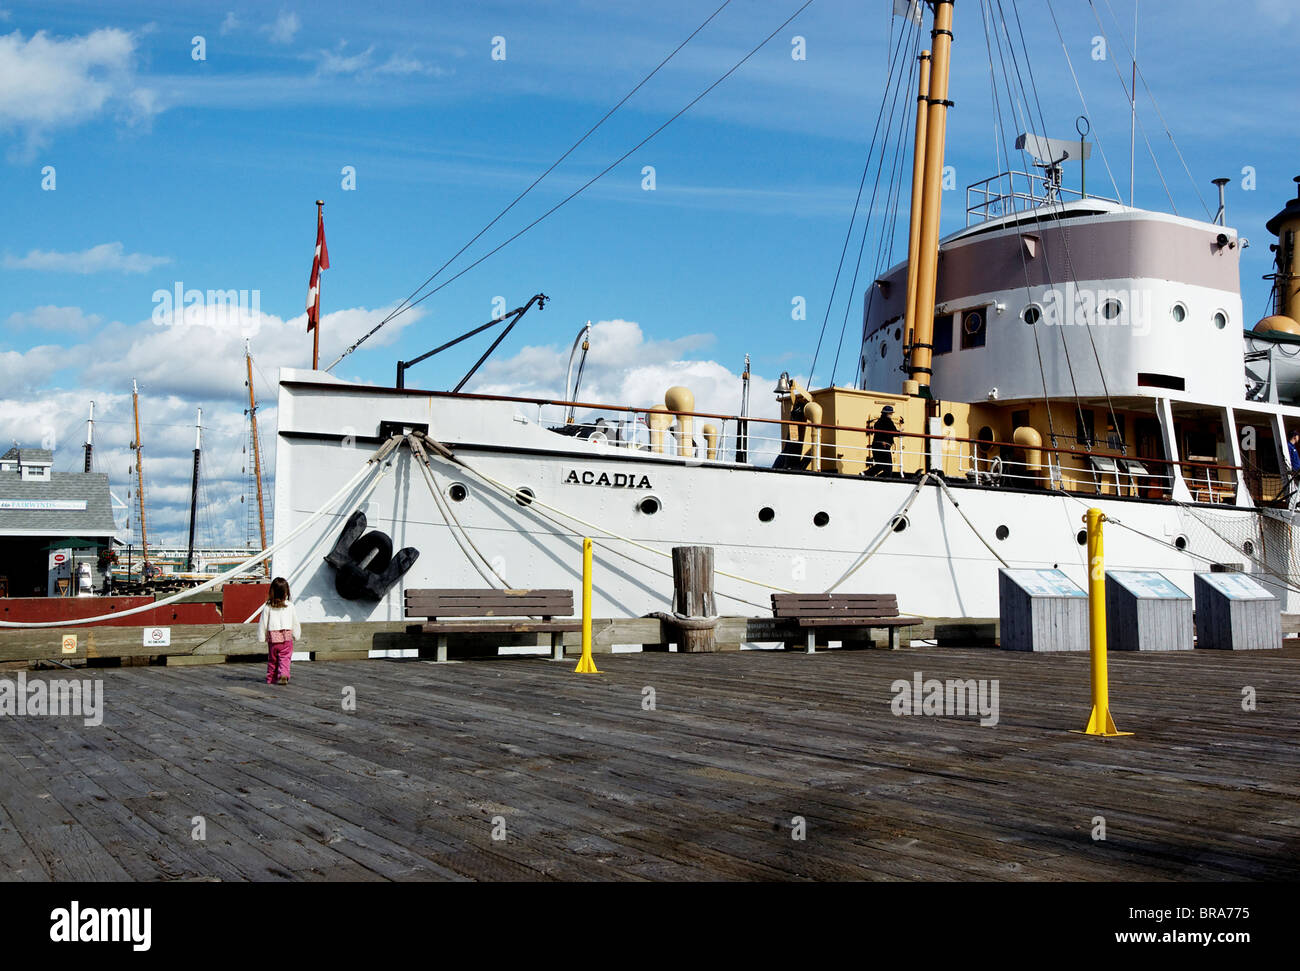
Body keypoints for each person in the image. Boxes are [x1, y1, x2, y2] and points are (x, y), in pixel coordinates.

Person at [257, 577, 302, 685]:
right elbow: (295, 622)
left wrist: (262, 636)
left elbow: (263, 623)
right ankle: (283, 674)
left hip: (273, 638)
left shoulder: (268, 606)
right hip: (286, 637)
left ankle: (271, 679)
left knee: (272, 659)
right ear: (286, 592)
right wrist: (296, 634)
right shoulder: (290, 606)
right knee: (285, 658)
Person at [866, 405, 898, 477]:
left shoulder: (878, 422)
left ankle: (868, 475)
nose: (891, 415)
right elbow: (894, 432)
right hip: (884, 446)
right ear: (887, 413)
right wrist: (900, 432)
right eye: (891, 413)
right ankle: (867, 474)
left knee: (881, 465)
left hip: (876, 445)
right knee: (888, 467)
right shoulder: (888, 422)